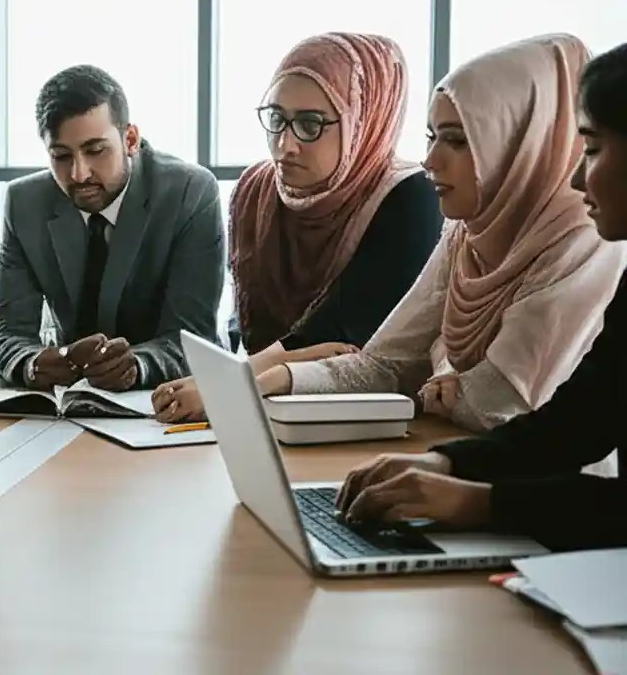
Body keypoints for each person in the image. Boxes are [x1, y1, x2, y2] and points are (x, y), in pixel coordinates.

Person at [248, 33, 627, 434]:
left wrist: (445, 382)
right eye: (432, 137)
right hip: (465, 462)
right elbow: (385, 364)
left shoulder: (584, 239)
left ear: (518, 143)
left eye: (458, 141)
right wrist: (278, 379)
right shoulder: (468, 234)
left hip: (549, 487)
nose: (430, 161)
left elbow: (504, 403)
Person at [334, 40, 627, 551]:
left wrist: (475, 502)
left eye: (595, 149)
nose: (579, 178)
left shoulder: (581, 245)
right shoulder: (467, 236)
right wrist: (444, 462)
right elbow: (574, 426)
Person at [154, 33, 443, 423]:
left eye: (310, 124)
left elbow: (357, 338)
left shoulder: (410, 195)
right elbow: (246, 335)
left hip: (376, 424)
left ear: (365, 121)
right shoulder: (258, 192)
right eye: (276, 119)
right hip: (267, 414)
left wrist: (232, 381)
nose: (285, 146)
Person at [0, 64, 224, 392]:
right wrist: (34, 364)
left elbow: (193, 337)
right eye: (61, 156)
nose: (79, 174)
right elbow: (5, 330)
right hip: (67, 402)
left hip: (168, 397)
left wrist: (135, 367)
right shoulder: (24, 203)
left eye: (95, 151)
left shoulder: (190, 192)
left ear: (130, 139)